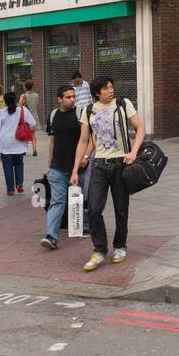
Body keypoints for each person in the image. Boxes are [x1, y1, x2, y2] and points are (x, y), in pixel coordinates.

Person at [71, 77, 144, 272]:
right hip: (99, 165)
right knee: (94, 208)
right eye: (105, 88)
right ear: (97, 93)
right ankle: (100, 250)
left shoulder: (123, 104)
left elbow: (140, 128)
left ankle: (120, 246)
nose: (110, 91)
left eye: (111, 87)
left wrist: (133, 152)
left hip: (121, 163)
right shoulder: (88, 111)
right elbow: (83, 140)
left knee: (121, 209)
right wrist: (76, 169)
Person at [40, 84, 81, 250]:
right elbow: (52, 143)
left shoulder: (80, 114)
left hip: (79, 168)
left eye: (73, 97)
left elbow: (89, 139)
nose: (72, 100)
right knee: (57, 202)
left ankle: (85, 227)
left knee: (87, 200)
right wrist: (48, 165)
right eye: (68, 97)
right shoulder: (53, 115)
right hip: (57, 167)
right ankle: (51, 236)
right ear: (59, 99)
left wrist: (84, 159)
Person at [0, 90, 35, 196]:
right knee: (19, 164)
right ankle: (19, 184)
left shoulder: (0, 113)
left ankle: (10, 189)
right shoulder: (23, 110)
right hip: (19, 142)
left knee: (8, 167)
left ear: (5, 102)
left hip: (5, 143)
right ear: (15, 100)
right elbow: (33, 124)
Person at [19, 79, 40, 158]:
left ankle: (23, 150)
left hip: (26, 116)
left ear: (25, 87)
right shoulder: (36, 95)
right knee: (33, 133)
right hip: (34, 115)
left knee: (24, 133)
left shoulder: (23, 95)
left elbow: (20, 105)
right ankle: (34, 149)